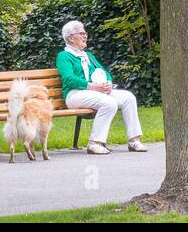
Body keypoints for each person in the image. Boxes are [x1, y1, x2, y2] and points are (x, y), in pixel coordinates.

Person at [57, 19, 147, 155]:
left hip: (95, 93)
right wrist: (92, 87)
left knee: (128, 97)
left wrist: (108, 83)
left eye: (85, 33)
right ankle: (94, 143)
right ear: (70, 38)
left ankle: (134, 141)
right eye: (81, 33)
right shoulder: (64, 56)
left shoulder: (88, 56)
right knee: (109, 102)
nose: (85, 36)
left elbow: (104, 72)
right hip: (75, 95)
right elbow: (68, 79)